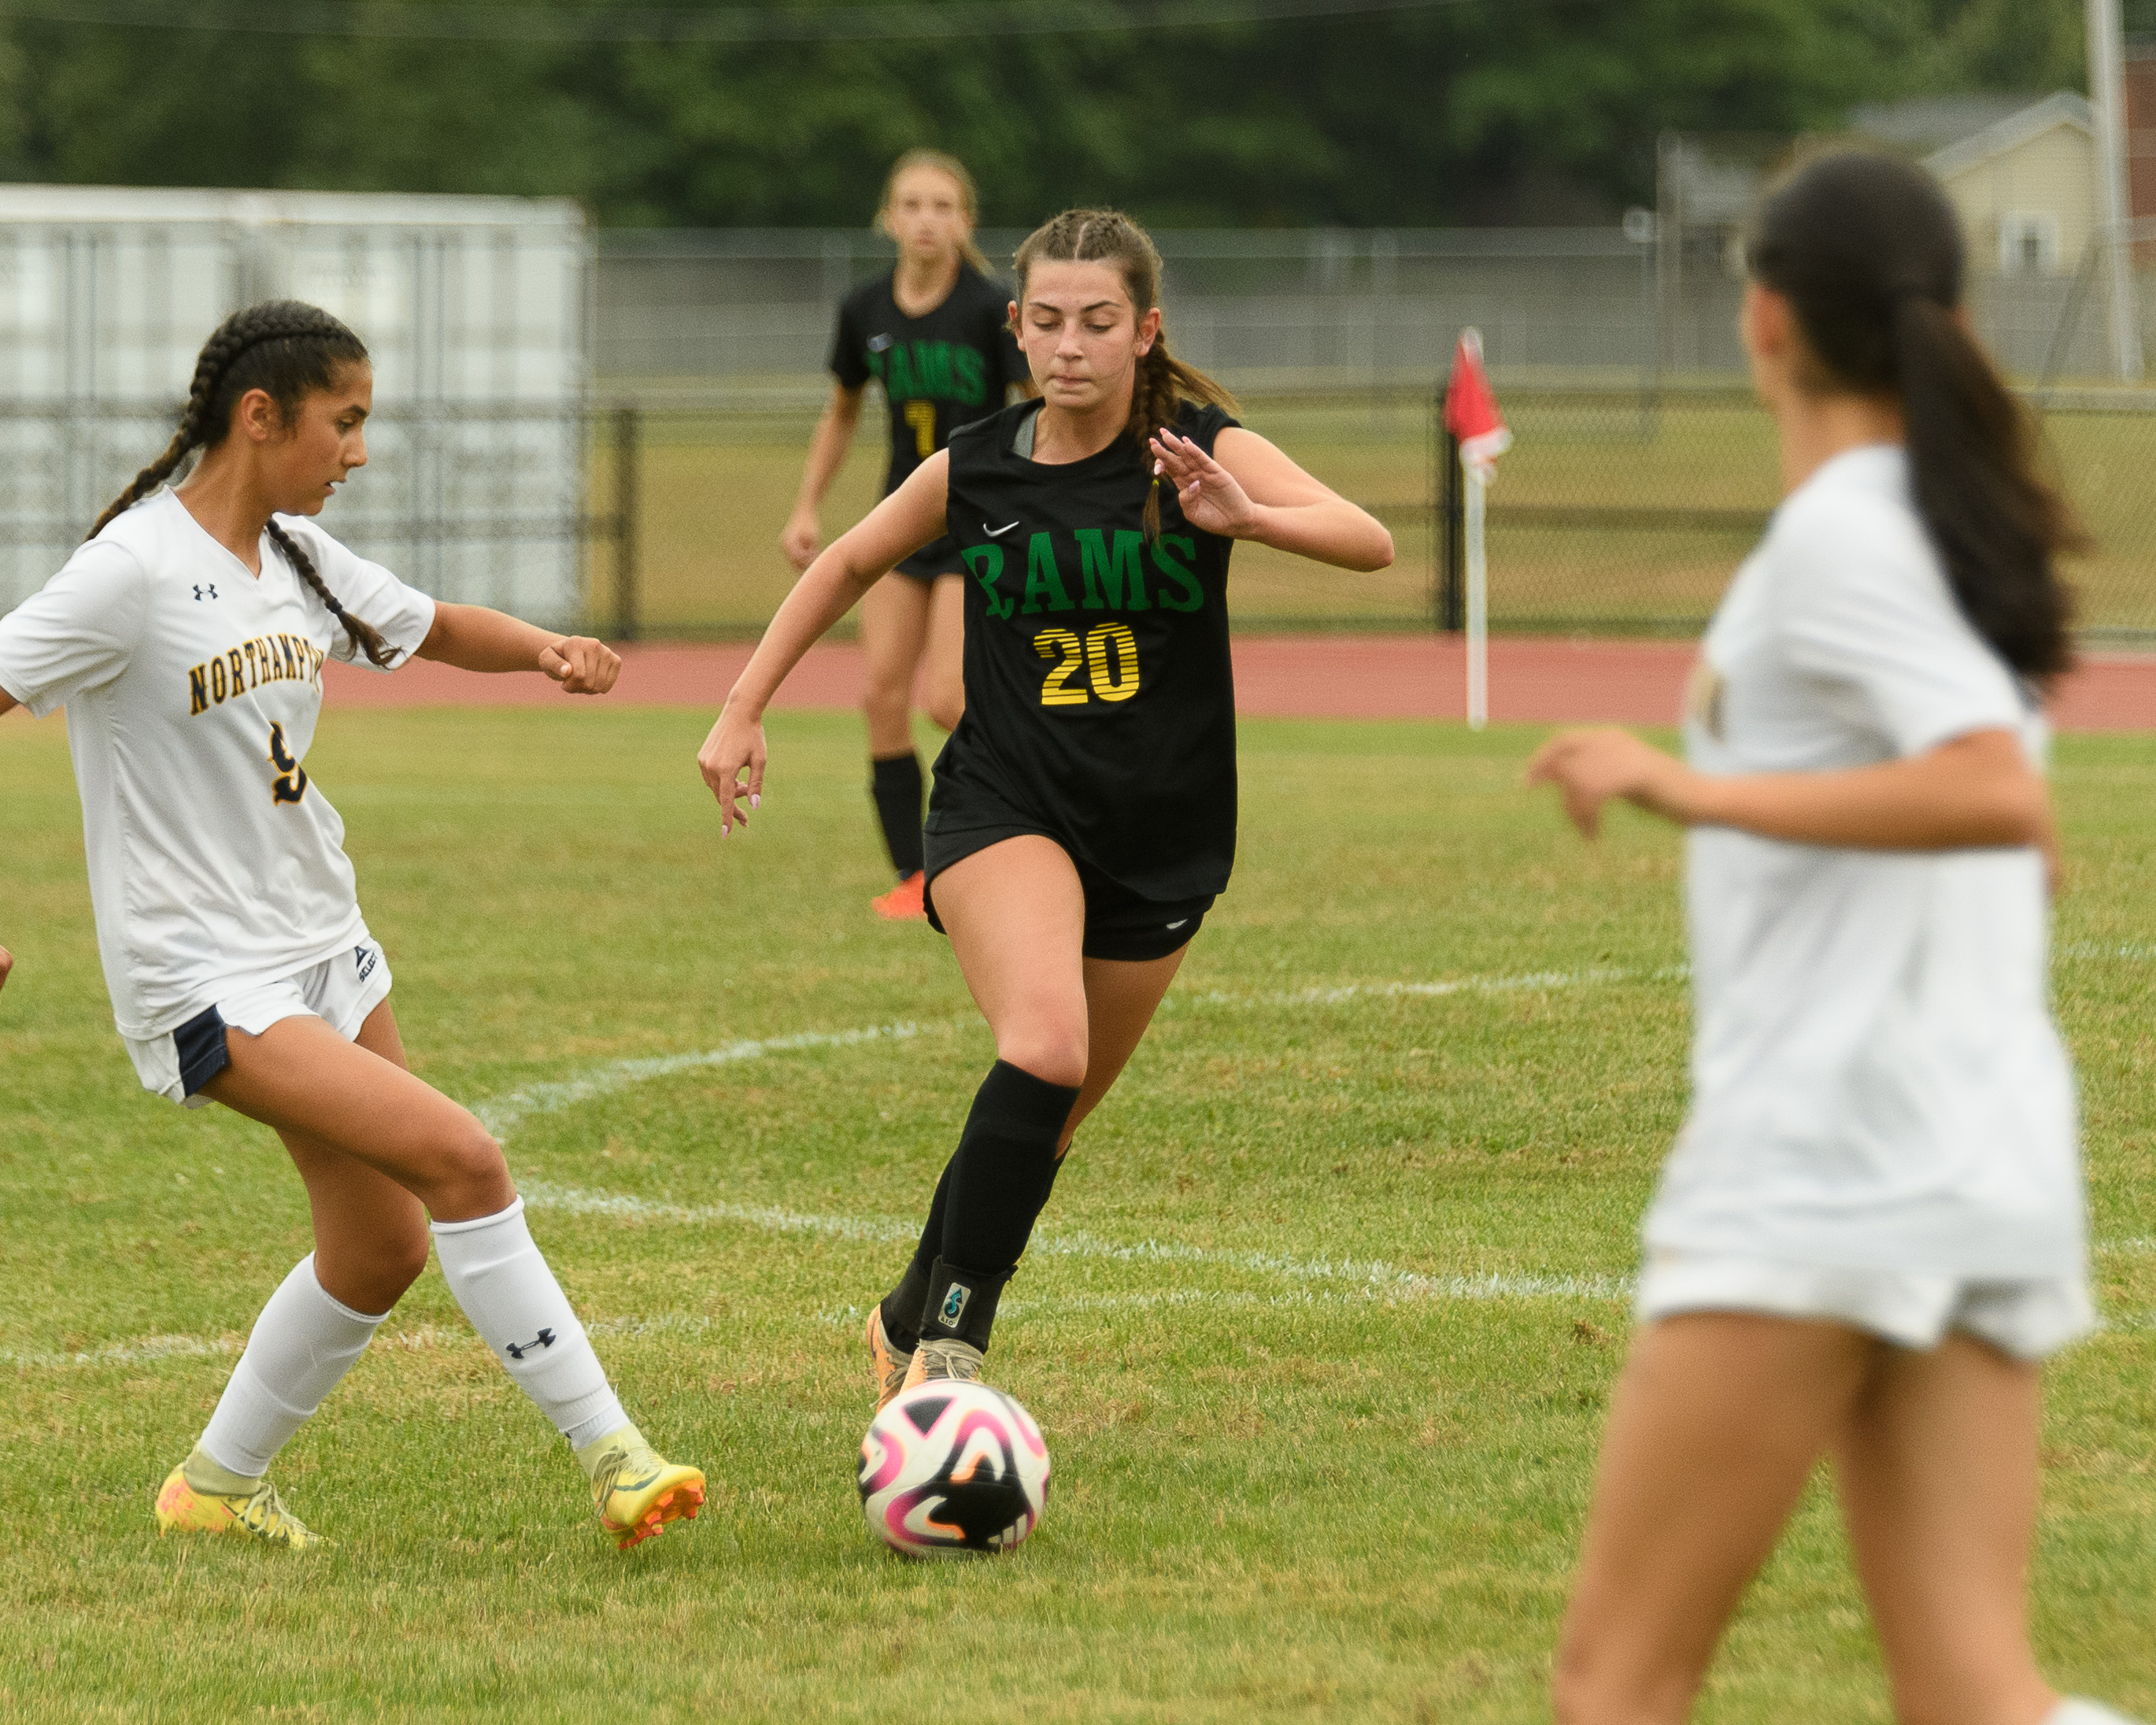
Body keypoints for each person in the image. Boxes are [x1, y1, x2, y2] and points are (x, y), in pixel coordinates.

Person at [1526, 154, 2138, 1725]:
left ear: (1768, 320)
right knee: (1968, 1692)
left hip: (1825, 1155)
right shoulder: (1929, 529)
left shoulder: (1846, 537)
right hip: (1971, 1153)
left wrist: (1681, 784)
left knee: (1615, 1681)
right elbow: (1984, 791)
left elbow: (1987, 789)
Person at [0, 301, 703, 1553]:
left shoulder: (297, 557)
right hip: (205, 975)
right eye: (346, 420)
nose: (359, 450)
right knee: (466, 1161)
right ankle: (615, 1454)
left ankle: (214, 1487)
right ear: (259, 417)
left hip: (326, 941)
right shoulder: (132, 570)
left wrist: (549, 650)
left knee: (378, 1247)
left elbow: (431, 626)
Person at [701, 208, 1392, 1403]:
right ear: (1015, 326)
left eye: (1099, 321)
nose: (1069, 344)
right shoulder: (978, 462)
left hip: (1163, 828)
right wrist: (739, 707)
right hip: (1003, 804)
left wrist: (1247, 517)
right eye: (1047, 320)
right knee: (1043, 1043)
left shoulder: (1197, 448)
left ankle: (905, 1312)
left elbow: (1367, 539)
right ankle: (950, 1354)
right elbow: (847, 562)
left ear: (1145, 330)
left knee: (1047, 1120)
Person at [782, 150, 1034, 921]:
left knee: (948, 700)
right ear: (888, 219)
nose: (928, 219)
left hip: (977, 520)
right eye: (913, 205)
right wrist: (806, 506)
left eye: (944, 206)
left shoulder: (992, 308)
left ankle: (1025, 829)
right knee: (881, 697)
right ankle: (916, 875)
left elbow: (1038, 403)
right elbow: (844, 411)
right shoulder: (866, 312)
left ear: (966, 221)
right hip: (902, 519)